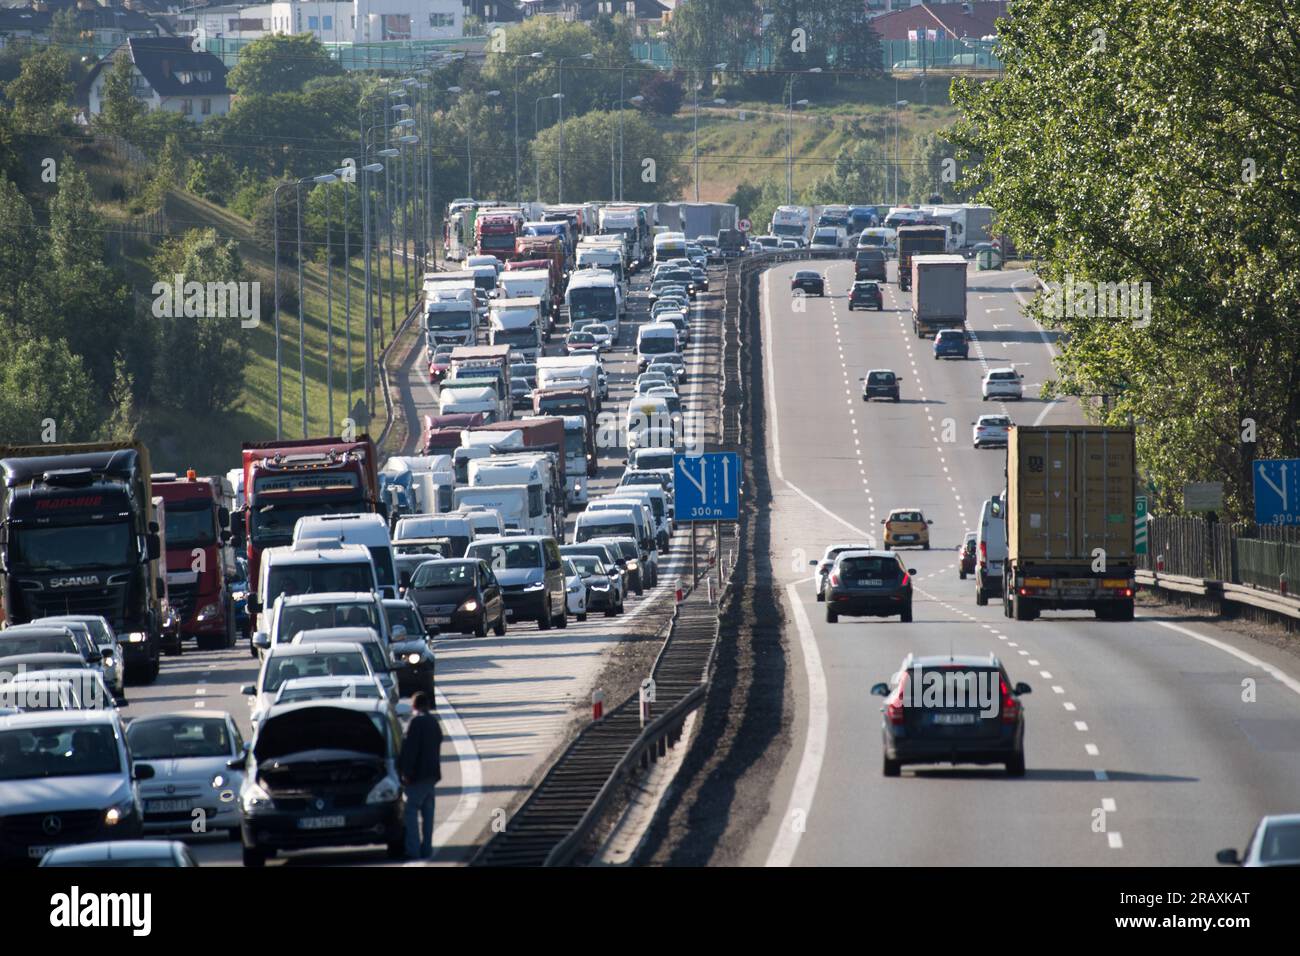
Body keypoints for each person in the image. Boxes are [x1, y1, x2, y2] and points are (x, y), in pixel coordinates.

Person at [398, 691, 443, 861]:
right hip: (432, 775)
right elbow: (439, 741)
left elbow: (410, 750)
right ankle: (427, 849)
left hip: (417, 776)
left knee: (410, 811)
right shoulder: (433, 722)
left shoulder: (415, 722)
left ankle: (413, 850)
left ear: (413, 706)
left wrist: (406, 773)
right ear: (427, 705)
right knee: (428, 813)